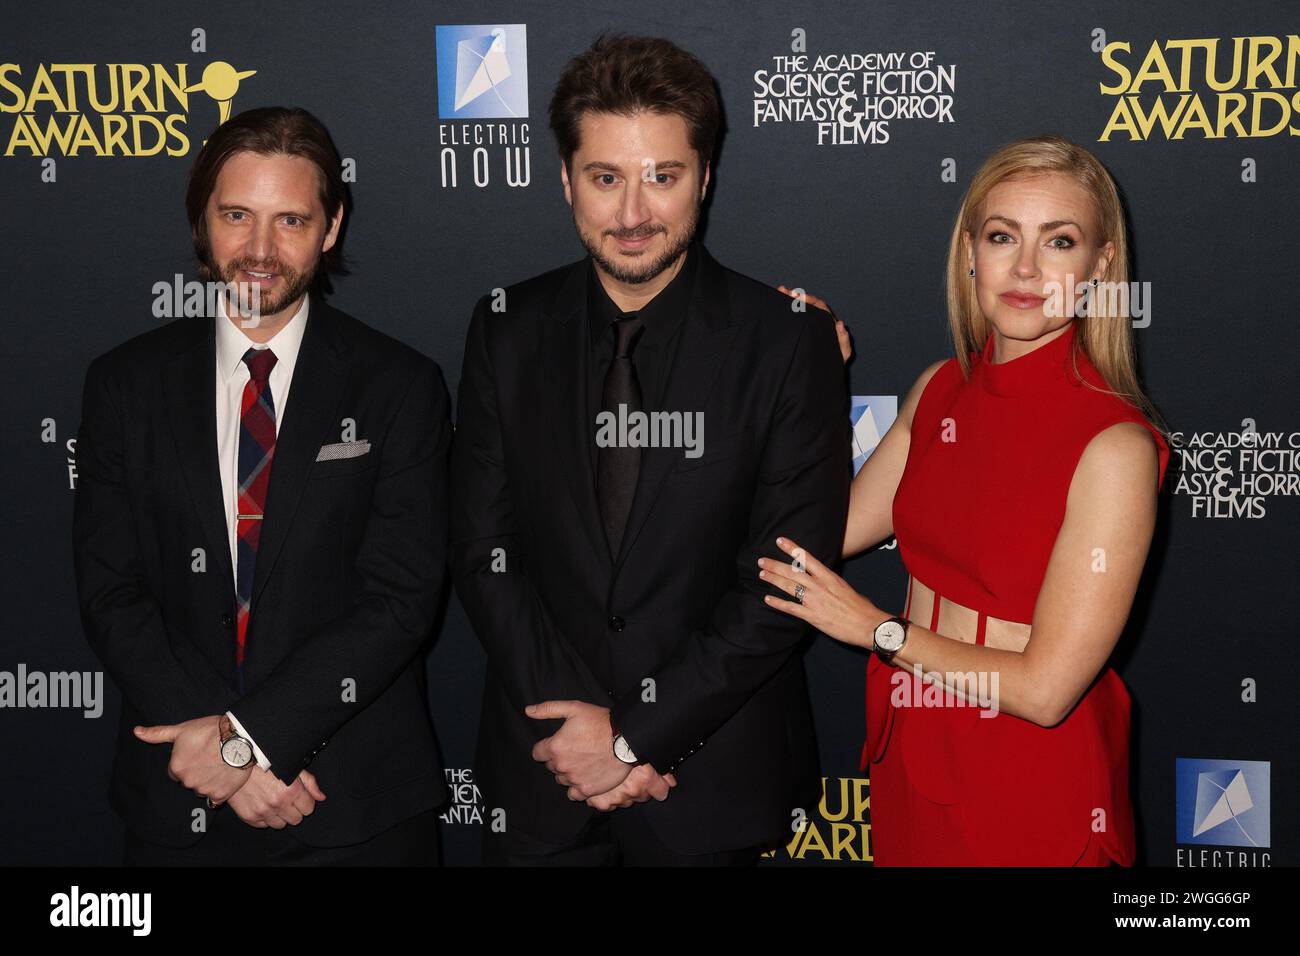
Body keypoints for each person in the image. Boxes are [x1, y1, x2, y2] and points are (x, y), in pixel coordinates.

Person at [451, 34, 849, 866]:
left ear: (705, 177)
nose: (633, 213)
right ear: (565, 181)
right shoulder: (503, 329)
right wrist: (582, 738)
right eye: (606, 178)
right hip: (544, 774)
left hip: (715, 782)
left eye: (662, 176)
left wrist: (634, 739)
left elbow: (781, 581)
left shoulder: (788, 342)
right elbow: (486, 552)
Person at [763, 134, 1169, 866]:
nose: (1025, 269)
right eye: (1003, 235)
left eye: (1061, 242)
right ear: (970, 251)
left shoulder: (1116, 446)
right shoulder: (940, 388)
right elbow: (826, 527)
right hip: (916, 745)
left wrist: (879, 632)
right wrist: (802, 381)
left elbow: (1047, 692)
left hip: (1027, 772)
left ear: (1101, 266)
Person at [73, 106, 451, 865]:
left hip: (355, 803)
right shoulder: (124, 384)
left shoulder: (400, 386)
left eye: (291, 221)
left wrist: (248, 743)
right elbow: (112, 590)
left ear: (331, 227)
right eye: (237, 215)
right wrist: (220, 755)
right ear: (201, 221)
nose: (260, 250)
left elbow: (401, 600)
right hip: (181, 795)